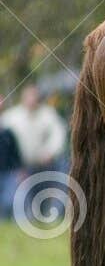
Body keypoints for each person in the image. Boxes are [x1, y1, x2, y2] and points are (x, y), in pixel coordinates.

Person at [0, 86, 68, 223]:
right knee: (18, 201)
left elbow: (58, 135)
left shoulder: (48, 114)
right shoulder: (11, 117)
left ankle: (55, 213)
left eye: (34, 97)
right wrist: (18, 167)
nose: (31, 100)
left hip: (46, 164)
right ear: (23, 99)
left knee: (65, 167)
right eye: (28, 97)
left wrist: (50, 152)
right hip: (21, 169)